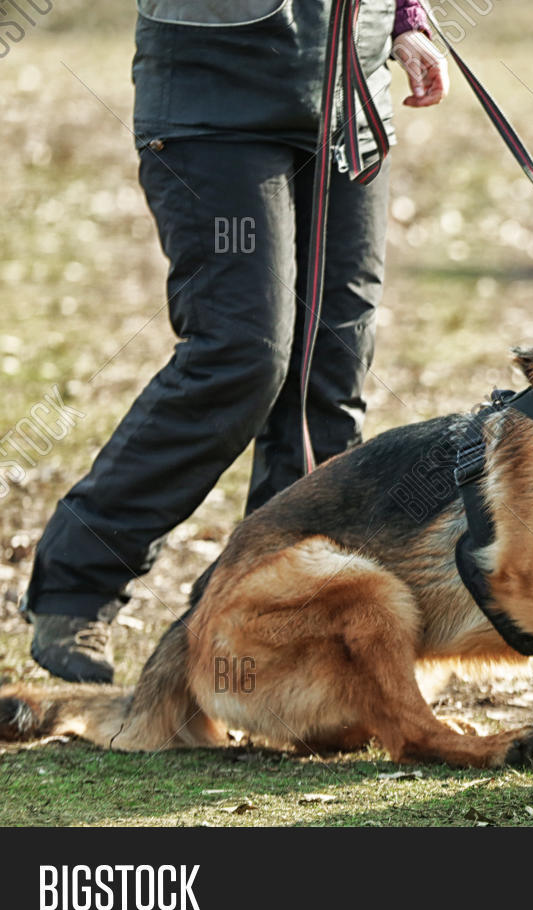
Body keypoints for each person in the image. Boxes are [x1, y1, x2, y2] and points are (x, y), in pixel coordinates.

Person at [22, 0, 450, 684]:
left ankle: (270, 625)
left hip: (348, 88)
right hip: (214, 89)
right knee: (243, 352)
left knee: (330, 371)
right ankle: (77, 585)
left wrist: (403, 20)